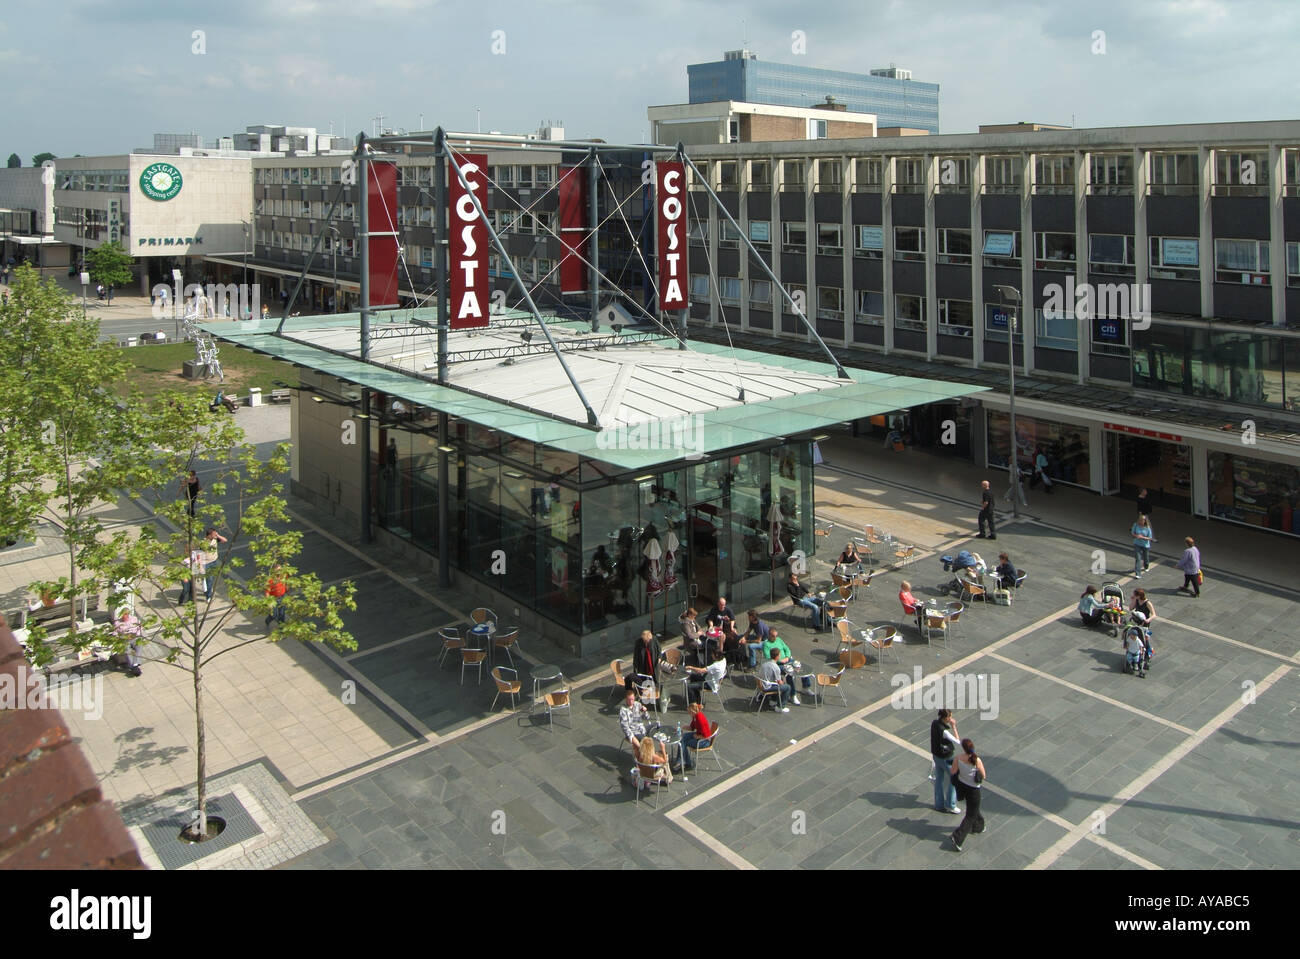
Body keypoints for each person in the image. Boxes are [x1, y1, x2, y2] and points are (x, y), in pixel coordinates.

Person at [949, 738, 987, 851]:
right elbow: (984, 776)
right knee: (970, 816)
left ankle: (979, 826)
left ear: (964, 748)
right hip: (974, 790)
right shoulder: (977, 760)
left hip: (962, 786)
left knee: (973, 808)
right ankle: (958, 837)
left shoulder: (958, 758)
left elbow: (953, 772)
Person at [930, 709, 961, 814]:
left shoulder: (934, 723)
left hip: (936, 756)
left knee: (939, 779)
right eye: (950, 717)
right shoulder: (945, 731)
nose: (951, 719)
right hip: (945, 758)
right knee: (954, 779)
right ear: (945, 718)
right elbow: (957, 741)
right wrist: (954, 727)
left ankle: (939, 804)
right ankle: (950, 804)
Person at [678, 702, 714, 772]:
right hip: (698, 735)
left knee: (685, 743)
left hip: (704, 741)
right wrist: (683, 727)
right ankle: (680, 760)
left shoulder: (700, 719)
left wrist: (697, 736)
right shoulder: (695, 717)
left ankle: (687, 762)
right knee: (682, 738)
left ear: (692, 712)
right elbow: (692, 728)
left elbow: (706, 736)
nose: (689, 714)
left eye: (689, 712)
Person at [757, 648, 793, 712]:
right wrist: (784, 683)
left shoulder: (764, 664)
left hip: (762, 685)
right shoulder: (776, 667)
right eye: (779, 655)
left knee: (777, 681)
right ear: (777, 657)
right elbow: (779, 682)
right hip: (767, 687)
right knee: (787, 687)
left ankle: (773, 701)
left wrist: (760, 687)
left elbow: (758, 676)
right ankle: (780, 707)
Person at [113, 608, 144, 678]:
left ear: (128, 614)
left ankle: (134, 665)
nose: (125, 617)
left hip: (135, 637)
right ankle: (135, 665)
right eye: (123, 615)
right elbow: (115, 633)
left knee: (139, 647)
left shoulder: (134, 619)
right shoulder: (118, 623)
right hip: (125, 639)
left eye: (126, 615)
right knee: (127, 650)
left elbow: (140, 627)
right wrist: (121, 637)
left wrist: (137, 634)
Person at [200, 527, 227, 601]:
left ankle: (207, 590)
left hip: (214, 561)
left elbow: (225, 540)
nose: (215, 535)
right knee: (210, 579)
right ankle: (208, 596)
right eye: (213, 534)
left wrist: (217, 536)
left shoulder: (215, 539)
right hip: (206, 563)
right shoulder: (203, 543)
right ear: (209, 535)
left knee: (210, 579)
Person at [1131, 588, 1156, 667]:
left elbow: (1154, 614)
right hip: (1137, 621)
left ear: (1139, 595)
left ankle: (1148, 653)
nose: (1134, 596)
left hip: (1145, 623)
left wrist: (1148, 620)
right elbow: (1130, 608)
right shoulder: (1137, 600)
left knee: (1145, 639)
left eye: (1135, 595)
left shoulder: (1148, 603)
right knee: (1135, 636)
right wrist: (1133, 600)